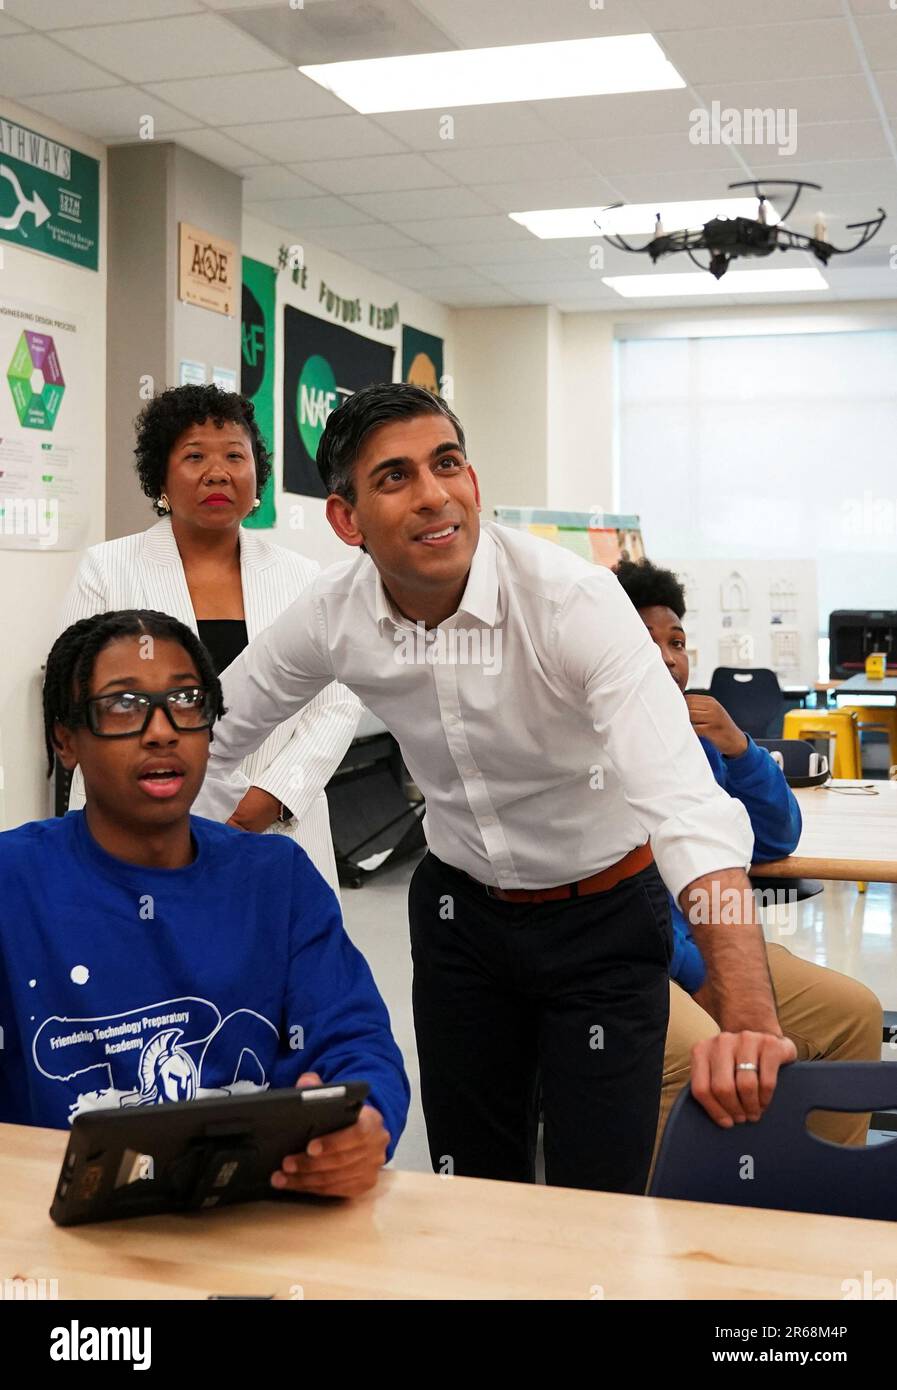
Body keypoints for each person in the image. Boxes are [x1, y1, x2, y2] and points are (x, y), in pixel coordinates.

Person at [192, 381, 796, 1195]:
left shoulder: (570, 602)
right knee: (472, 1182)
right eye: (395, 476)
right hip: (462, 922)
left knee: (598, 1191)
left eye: (448, 464)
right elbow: (215, 731)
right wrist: (173, 877)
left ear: (473, 481)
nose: (435, 494)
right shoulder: (332, 614)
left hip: (605, 920)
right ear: (346, 519)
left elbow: (688, 809)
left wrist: (748, 1016)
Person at [0, 610, 408, 1200]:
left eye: (187, 701)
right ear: (66, 740)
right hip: (56, 1236)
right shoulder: (15, 882)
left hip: (252, 1219)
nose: (162, 730)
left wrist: (366, 1125)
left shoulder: (276, 878)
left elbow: (355, 1041)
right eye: (123, 705)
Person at [614, 557, 883, 1154]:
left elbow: (776, 838)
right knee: (692, 1051)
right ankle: (676, 1224)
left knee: (855, 1014)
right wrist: (713, 980)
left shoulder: (697, 741)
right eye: (644, 641)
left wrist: (740, 750)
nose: (666, 656)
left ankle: (822, 1192)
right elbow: (638, 900)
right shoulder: (597, 744)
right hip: (639, 964)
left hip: (710, 950)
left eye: (676, 641)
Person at [60, 384, 360, 894]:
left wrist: (269, 797)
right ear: (161, 477)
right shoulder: (108, 570)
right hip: (136, 823)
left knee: (273, 962)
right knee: (136, 961)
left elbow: (337, 701)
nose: (217, 472)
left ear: (255, 475)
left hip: (277, 824)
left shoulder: (304, 577)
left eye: (234, 456)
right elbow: (79, 694)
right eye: (194, 455)